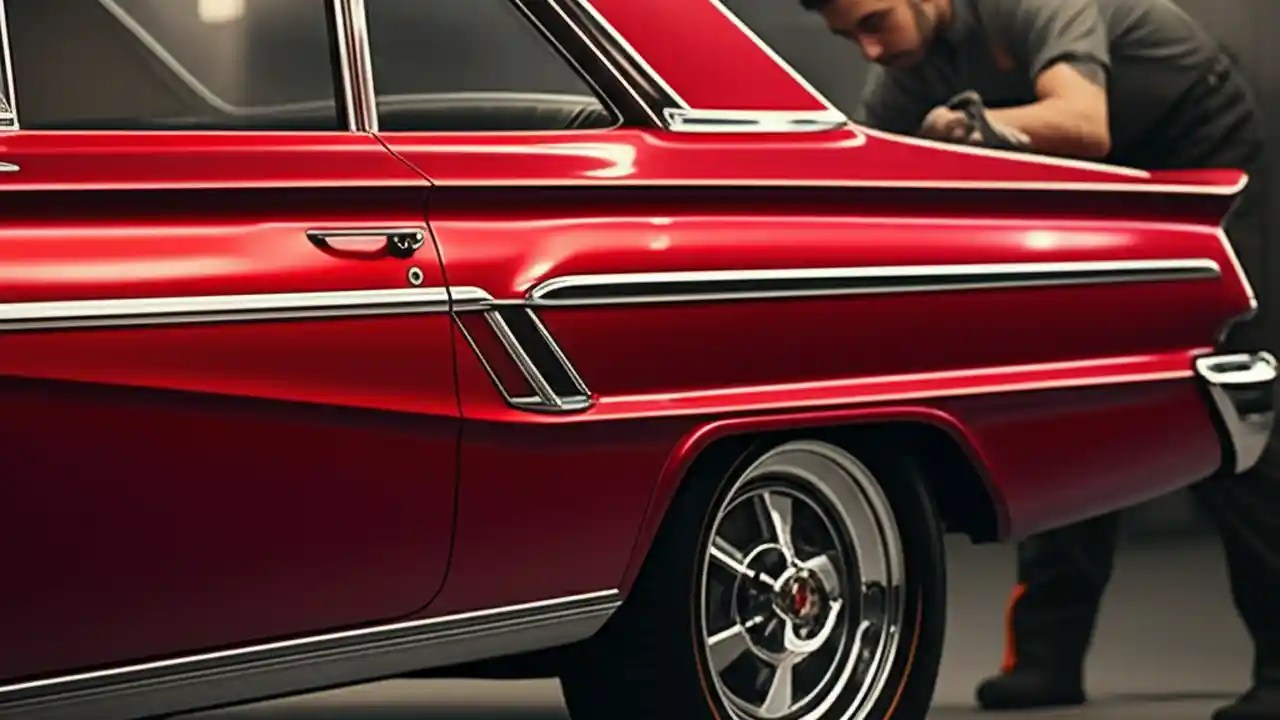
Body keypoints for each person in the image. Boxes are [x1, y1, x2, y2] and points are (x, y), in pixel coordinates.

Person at [797, 0, 1280, 718]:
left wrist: (971, 130)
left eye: (874, 21)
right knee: (1067, 397)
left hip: (1191, 148)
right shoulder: (902, 76)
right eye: (847, 37)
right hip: (1082, 183)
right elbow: (870, 184)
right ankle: (1046, 658)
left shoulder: (1030, 4)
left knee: (1222, 391)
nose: (868, 50)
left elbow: (1085, 123)